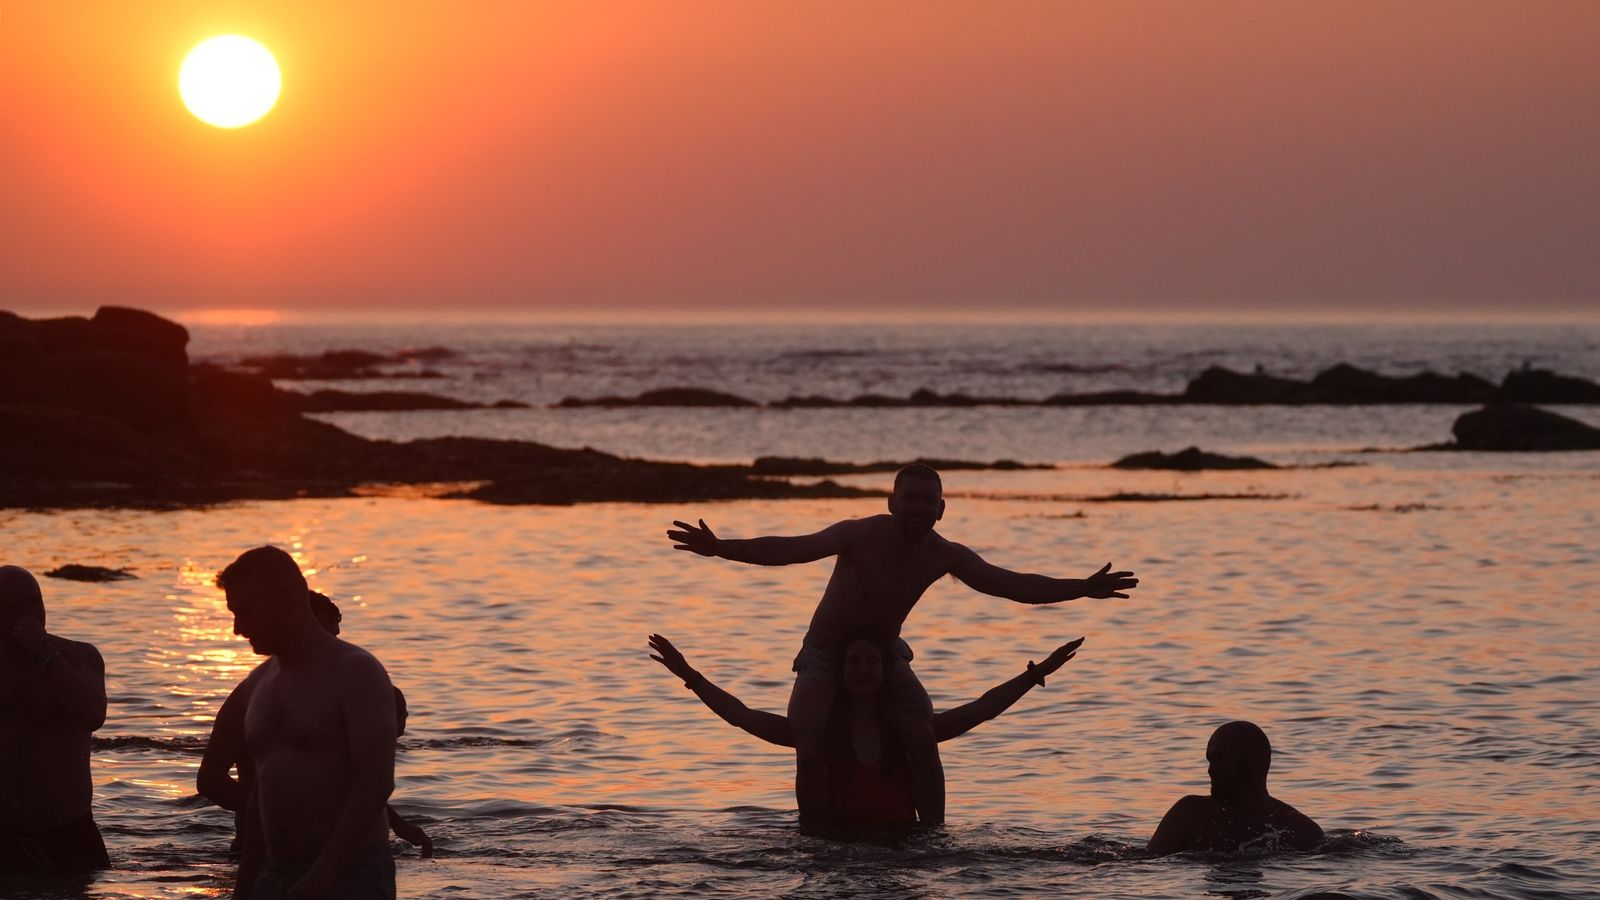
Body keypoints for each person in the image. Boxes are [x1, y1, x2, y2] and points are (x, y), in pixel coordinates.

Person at [667, 463, 1137, 825]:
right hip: (827, 654)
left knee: (923, 734)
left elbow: (1010, 584)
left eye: (927, 501)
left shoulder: (944, 554)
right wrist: (722, 547)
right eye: (908, 498)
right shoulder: (860, 532)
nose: (917, 508)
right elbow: (790, 549)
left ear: (941, 509)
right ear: (891, 502)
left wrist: (1080, 587)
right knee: (807, 741)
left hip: (884, 653)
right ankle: (814, 834)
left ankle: (931, 836)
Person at [648, 632, 1082, 827]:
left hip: (904, 852)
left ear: (884, 672)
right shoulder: (818, 734)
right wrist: (688, 673)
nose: (862, 669)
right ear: (840, 671)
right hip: (835, 852)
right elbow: (742, 716)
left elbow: (982, 709)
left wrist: (1036, 672)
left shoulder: (910, 732)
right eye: (854, 661)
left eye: (871, 661)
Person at [199, 591, 431, 898]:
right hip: (266, 854)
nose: (330, 645)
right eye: (322, 634)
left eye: (335, 636)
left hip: (350, 857)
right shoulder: (253, 691)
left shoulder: (354, 679)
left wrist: (396, 823)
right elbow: (211, 779)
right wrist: (280, 813)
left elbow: (356, 778)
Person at [0, 565, 110, 875]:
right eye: (17, 606)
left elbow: (93, 715)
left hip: (67, 834)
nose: (31, 613)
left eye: (36, 602)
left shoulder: (78, 657)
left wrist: (44, 653)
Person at [1147, 721, 1323, 856]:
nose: (1211, 770)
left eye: (1221, 759)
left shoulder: (1298, 828)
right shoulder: (1190, 812)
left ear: (1254, 761)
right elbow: (1148, 862)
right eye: (1210, 760)